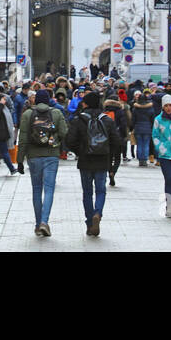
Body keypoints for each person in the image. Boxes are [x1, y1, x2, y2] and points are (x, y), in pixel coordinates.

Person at [65, 90, 122, 235]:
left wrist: (80, 151)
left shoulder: (79, 120)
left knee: (87, 192)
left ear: (86, 104)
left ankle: (90, 221)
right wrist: (110, 156)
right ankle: (98, 213)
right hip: (102, 160)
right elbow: (117, 141)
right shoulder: (107, 120)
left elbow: (69, 141)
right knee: (101, 190)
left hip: (85, 161)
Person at [17, 89, 68, 236]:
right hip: (51, 154)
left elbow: (23, 138)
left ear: (35, 100)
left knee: (37, 189)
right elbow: (64, 132)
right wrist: (55, 138)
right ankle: (45, 221)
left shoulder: (27, 114)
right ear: (49, 99)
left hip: (33, 156)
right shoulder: (57, 113)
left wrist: (20, 160)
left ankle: (38, 223)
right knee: (49, 188)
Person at [103, 90, 130, 185]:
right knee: (117, 158)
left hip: (106, 138)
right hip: (117, 137)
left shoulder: (105, 111)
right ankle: (113, 172)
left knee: (109, 158)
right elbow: (123, 125)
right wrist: (124, 136)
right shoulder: (120, 111)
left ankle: (109, 170)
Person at [131, 90, 155, 165]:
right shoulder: (150, 108)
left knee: (139, 144)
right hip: (147, 128)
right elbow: (152, 119)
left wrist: (132, 128)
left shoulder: (135, 109)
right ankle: (144, 159)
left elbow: (133, 119)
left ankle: (140, 160)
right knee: (146, 144)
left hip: (138, 128)